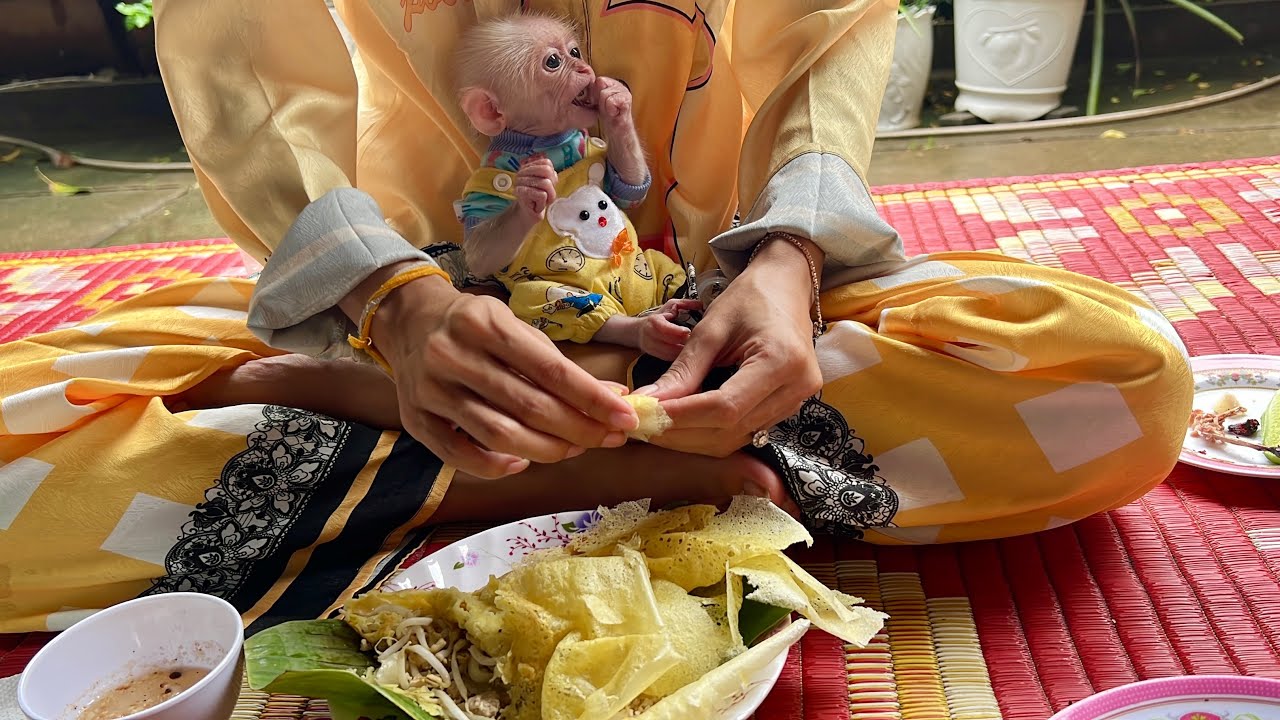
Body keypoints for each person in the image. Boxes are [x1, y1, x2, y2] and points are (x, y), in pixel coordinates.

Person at [0, 0, 1193, 634]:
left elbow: (820, 45)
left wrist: (786, 259)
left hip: (697, 291)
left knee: (1124, 383)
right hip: (396, 291)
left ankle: (463, 464)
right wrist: (392, 304)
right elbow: (252, 68)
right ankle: (672, 469)